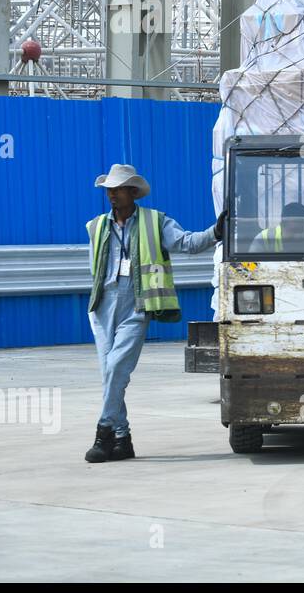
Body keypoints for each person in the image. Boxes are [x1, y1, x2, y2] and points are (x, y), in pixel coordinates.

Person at [85, 164, 223, 464]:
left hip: (137, 302)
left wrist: (216, 232)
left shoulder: (154, 221)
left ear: (132, 192)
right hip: (102, 304)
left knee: (117, 367)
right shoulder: (96, 226)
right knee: (110, 373)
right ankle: (123, 440)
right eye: (109, 189)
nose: (112, 194)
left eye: (118, 189)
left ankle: (105, 432)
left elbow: (186, 243)